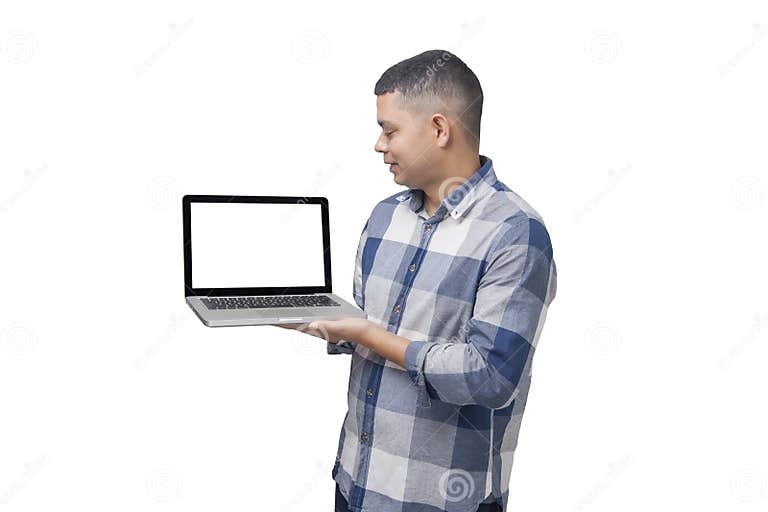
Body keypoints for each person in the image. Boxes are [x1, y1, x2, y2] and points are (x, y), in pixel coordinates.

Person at [279, 49, 557, 512]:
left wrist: (369, 334)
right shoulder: (384, 217)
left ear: (439, 129)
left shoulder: (515, 233)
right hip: (356, 484)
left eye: (389, 130)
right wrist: (314, 318)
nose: (378, 145)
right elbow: (366, 333)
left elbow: (489, 377)